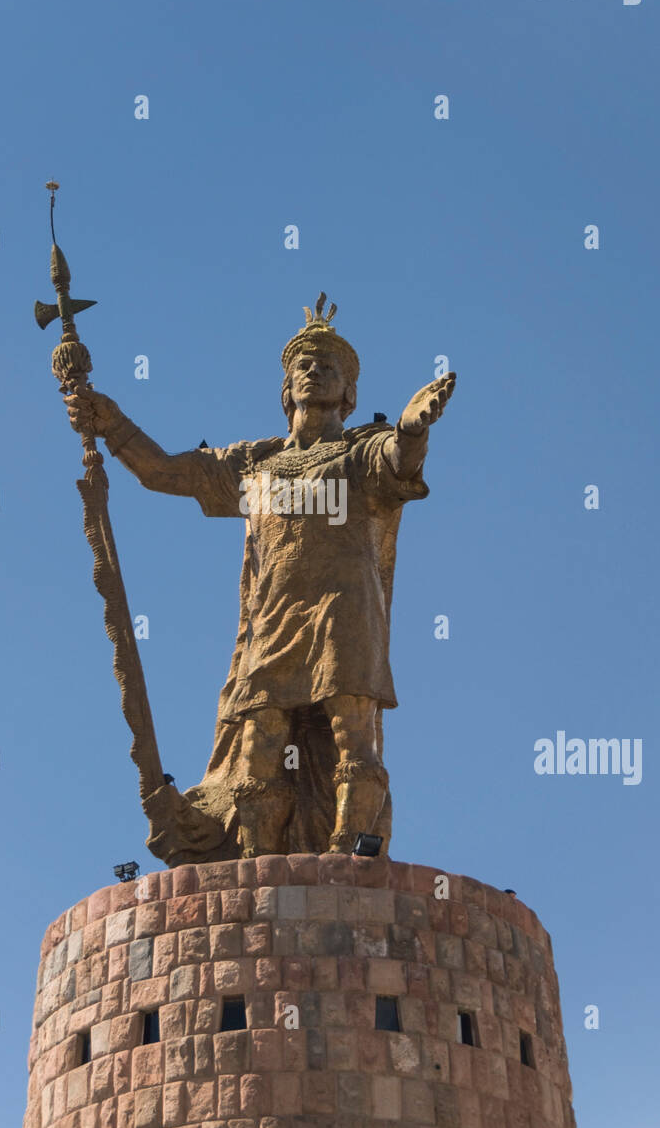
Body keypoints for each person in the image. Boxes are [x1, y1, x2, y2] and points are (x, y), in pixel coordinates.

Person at [66, 295, 455, 860]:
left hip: (344, 609)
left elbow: (398, 463)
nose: (315, 371)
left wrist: (413, 430)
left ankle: (349, 850)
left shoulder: (359, 450)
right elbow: (166, 472)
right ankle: (257, 860)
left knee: (353, 730)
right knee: (260, 738)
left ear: (349, 394)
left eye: (330, 367)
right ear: (285, 390)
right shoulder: (254, 464)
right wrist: (111, 422)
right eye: (304, 364)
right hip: (272, 617)